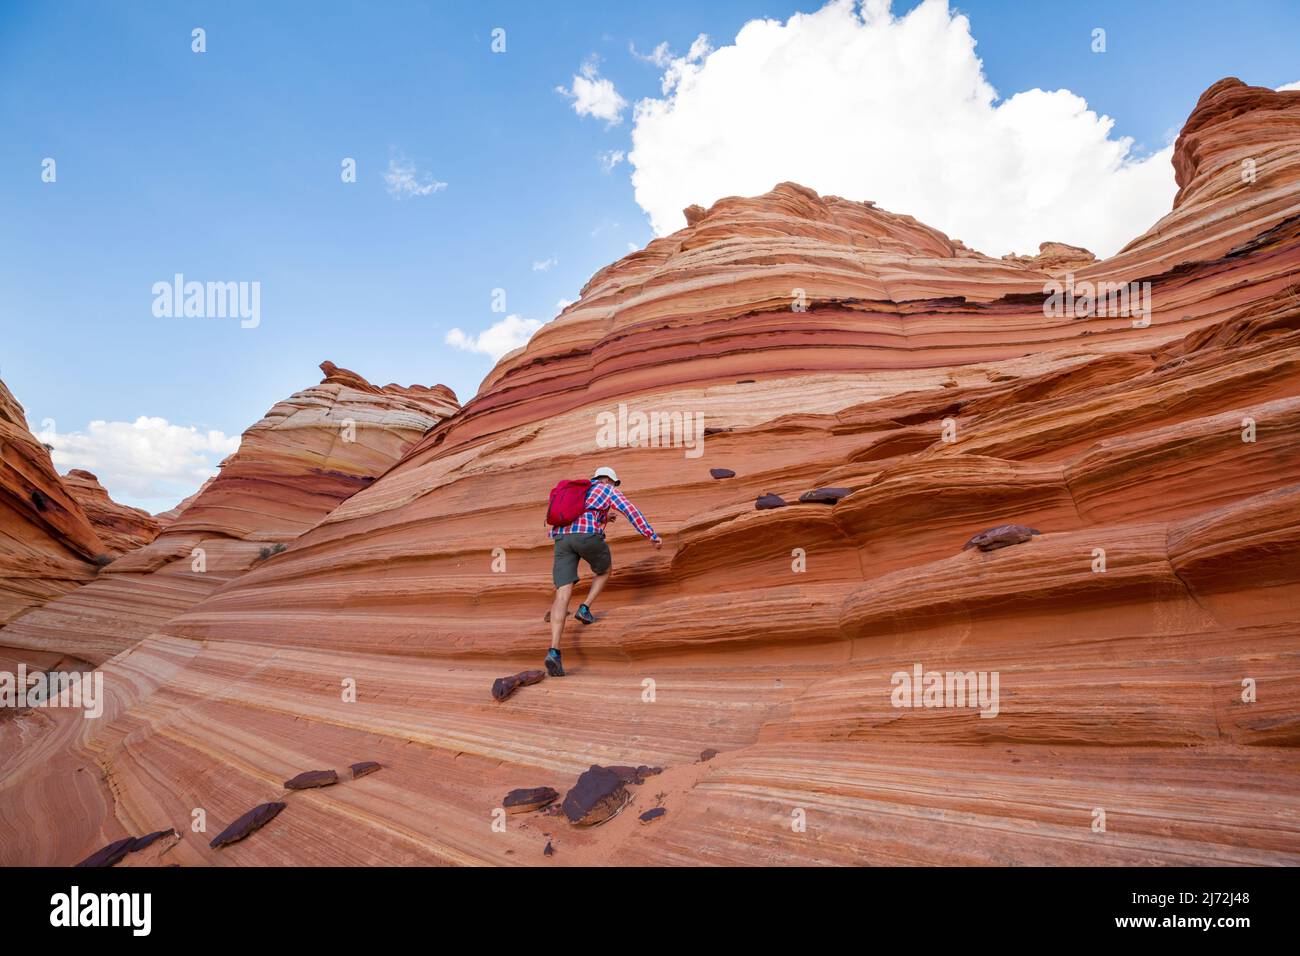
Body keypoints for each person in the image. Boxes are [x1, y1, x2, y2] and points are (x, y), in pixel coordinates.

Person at [545, 466, 661, 677]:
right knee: (605, 571)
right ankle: (584, 609)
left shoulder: (580, 491)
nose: (614, 486)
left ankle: (554, 651)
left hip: (561, 540)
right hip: (588, 537)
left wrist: (604, 519)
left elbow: (576, 515)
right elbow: (630, 510)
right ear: (608, 480)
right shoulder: (607, 490)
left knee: (562, 595)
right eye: (614, 483)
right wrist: (651, 535)